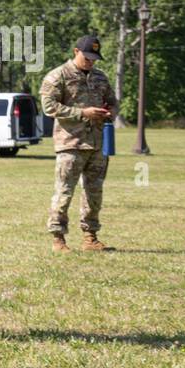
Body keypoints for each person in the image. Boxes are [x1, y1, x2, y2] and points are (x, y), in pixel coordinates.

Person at [40, 35, 118, 251]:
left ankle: (90, 238)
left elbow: (113, 102)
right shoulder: (58, 76)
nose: (91, 61)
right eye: (87, 57)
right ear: (76, 52)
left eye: (94, 58)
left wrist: (110, 112)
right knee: (64, 191)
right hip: (70, 144)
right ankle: (58, 239)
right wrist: (82, 113)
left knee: (94, 193)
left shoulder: (100, 78)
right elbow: (48, 106)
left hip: (97, 143)